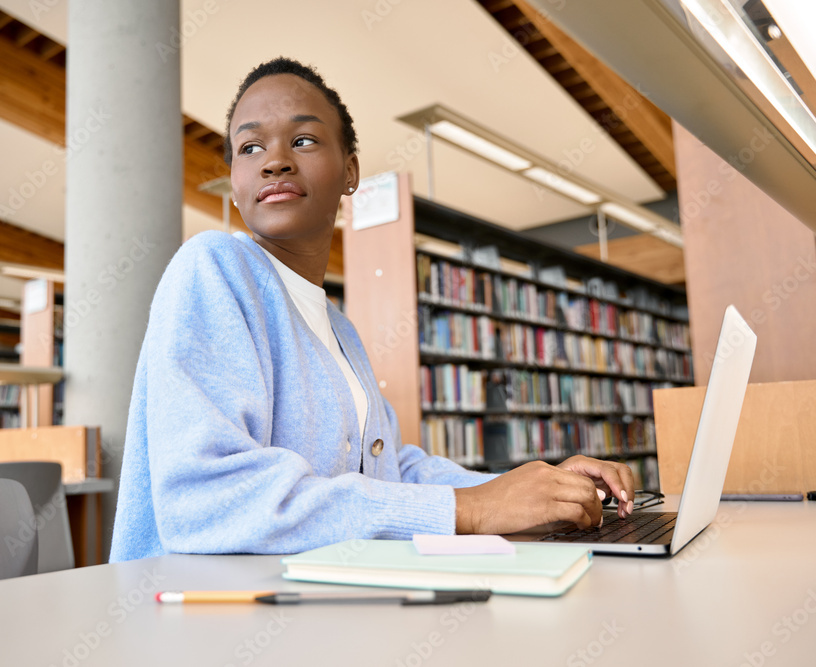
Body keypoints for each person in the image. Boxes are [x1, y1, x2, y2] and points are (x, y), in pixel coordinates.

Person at [109, 57, 635, 562]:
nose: (273, 161)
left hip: (310, 602)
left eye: (304, 139)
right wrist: (471, 509)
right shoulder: (213, 267)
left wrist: (542, 487)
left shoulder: (339, 328)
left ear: (350, 172)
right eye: (249, 148)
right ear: (236, 180)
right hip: (200, 619)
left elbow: (392, 473)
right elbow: (207, 499)